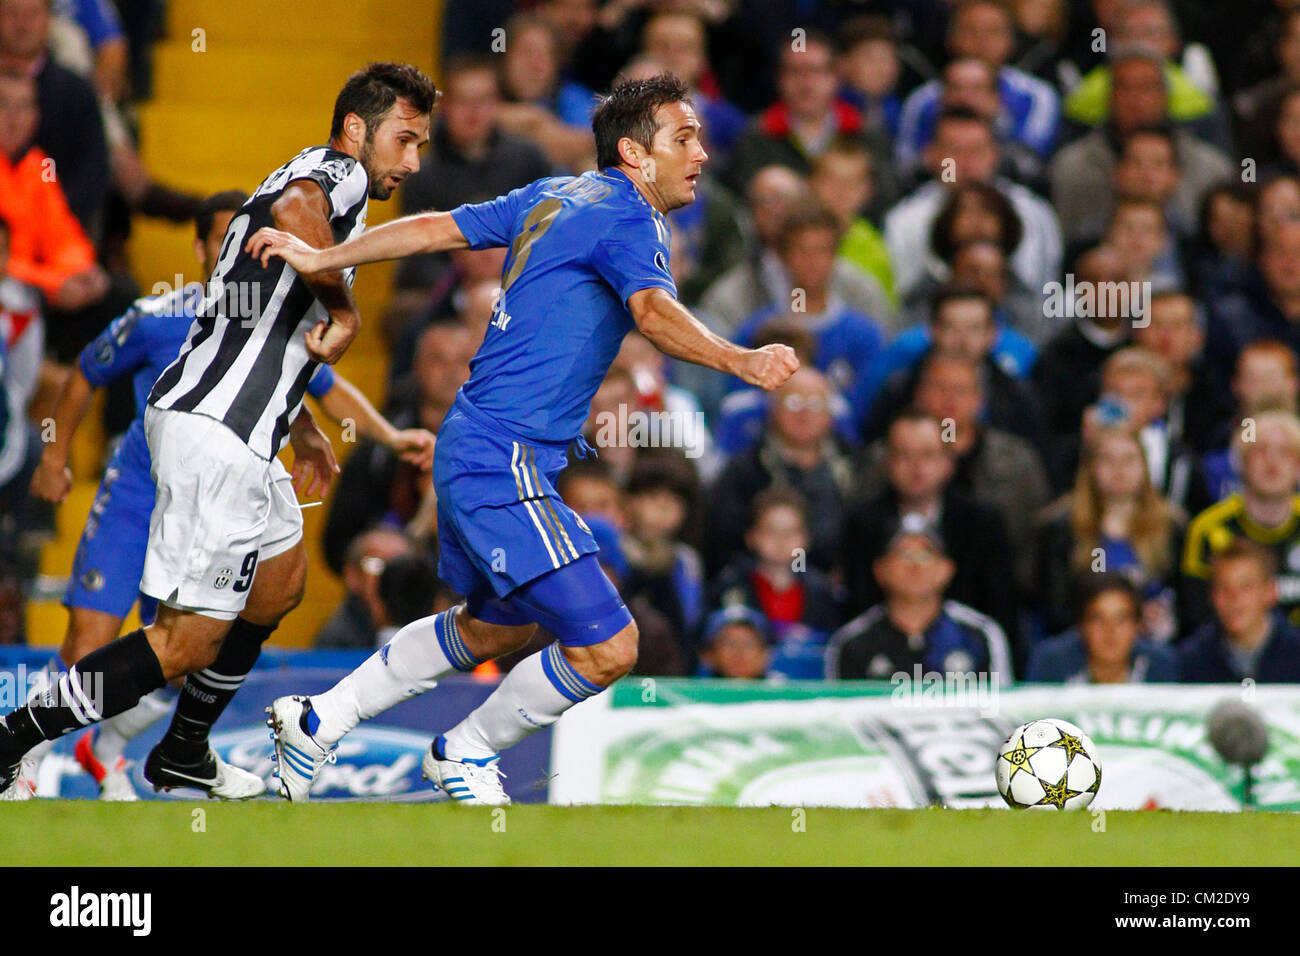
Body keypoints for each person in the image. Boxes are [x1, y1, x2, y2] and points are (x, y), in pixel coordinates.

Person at [246, 73, 799, 805]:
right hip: (500, 457)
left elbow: (438, 226)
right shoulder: (629, 217)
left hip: (482, 446)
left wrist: (327, 258)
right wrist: (740, 359)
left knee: (497, 630)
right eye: (684, 138)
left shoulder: (556, 193)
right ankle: (465, 752)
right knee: (610, 647)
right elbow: (654, 313)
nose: (700, 151)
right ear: (635, 153)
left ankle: (321, 717)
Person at [0, 62, 441, 799]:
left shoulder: (318, 171)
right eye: (406, 140)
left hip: (246, 428)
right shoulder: (337, 175)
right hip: (215, 433)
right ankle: (12, 739)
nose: (413, 161)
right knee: (185, 642)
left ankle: (182, 749)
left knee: (279, 584)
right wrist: (344, 304)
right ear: (359, 130)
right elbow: (299, 214)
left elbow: (265, 315)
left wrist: (299, 426)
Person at [825, 523, 1012, 684]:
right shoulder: (851, 643)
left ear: (946, 569)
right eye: (903, 553)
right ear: (880, 570)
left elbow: (1002, 712)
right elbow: (840, 719)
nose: (915, 565)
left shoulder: (980, 636)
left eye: (926, 554)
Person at [1178, 540, 1300, 682]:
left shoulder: (1296, 654)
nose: (1234, 598)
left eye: (1246, 587)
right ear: (1211, 595)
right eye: (1223, 587)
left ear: (1270, 591)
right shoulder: (1190, 660)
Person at [1025, 573, 1179, 683]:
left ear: (1138, 626)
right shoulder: (1051, 663)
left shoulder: (1159, 665)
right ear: (1082, 626)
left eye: (1121, 619)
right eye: (1098, 619)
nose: (1110, 630)